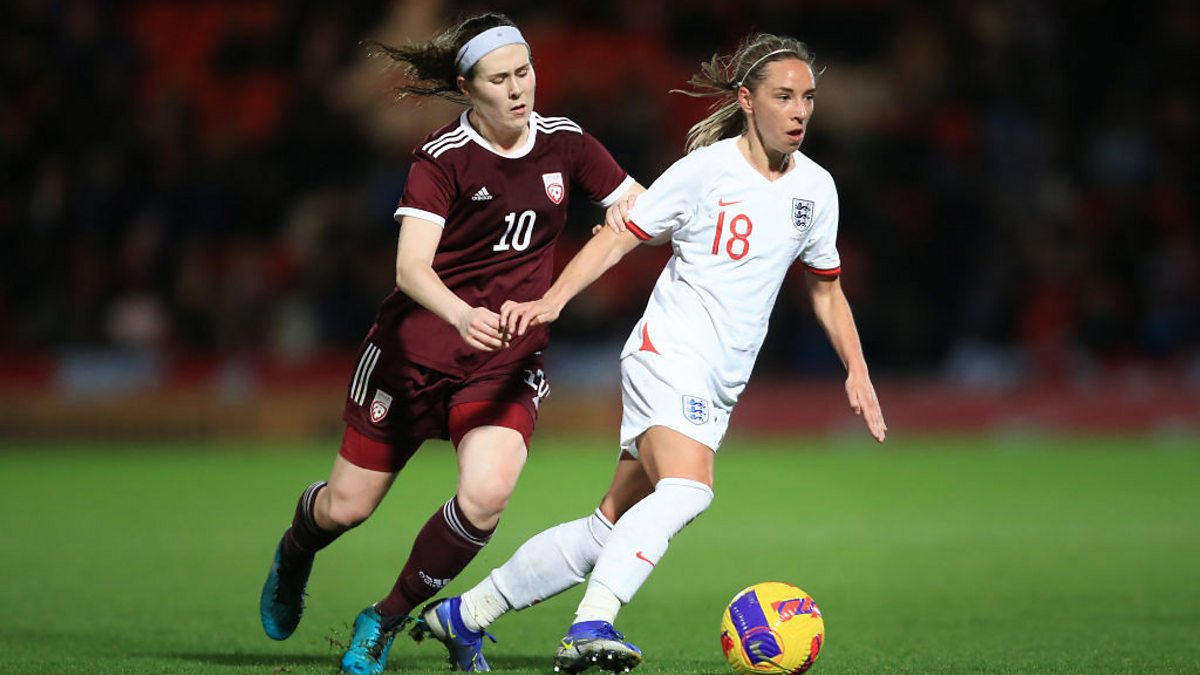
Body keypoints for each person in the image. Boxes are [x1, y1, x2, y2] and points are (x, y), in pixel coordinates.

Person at [409, 33, 887, 673]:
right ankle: (590, 625)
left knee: (607, 525)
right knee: (688, 490)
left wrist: (857, 368)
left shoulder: (817, 190)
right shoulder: (704, 172)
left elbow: (827, 291)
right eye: (783, 96)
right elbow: (619, 234)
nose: (799, 111)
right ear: (747, 101)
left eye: (807, 98)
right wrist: (552, 300)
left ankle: (464, 615)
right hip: (669, 353)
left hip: (719, 382)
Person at [257, 13, 643, 675]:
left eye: (524, 71)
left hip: (504, 362)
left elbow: (636, 210)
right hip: (413, 357)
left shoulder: (567, 143)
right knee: (346, 507)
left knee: (487, 495)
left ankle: (384, 618)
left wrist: (561, 292)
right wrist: (463, 316)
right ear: (467, 86)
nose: (518, 88)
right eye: (499, 78)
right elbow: (410, 269)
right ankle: (296, 551)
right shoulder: (442, 157)